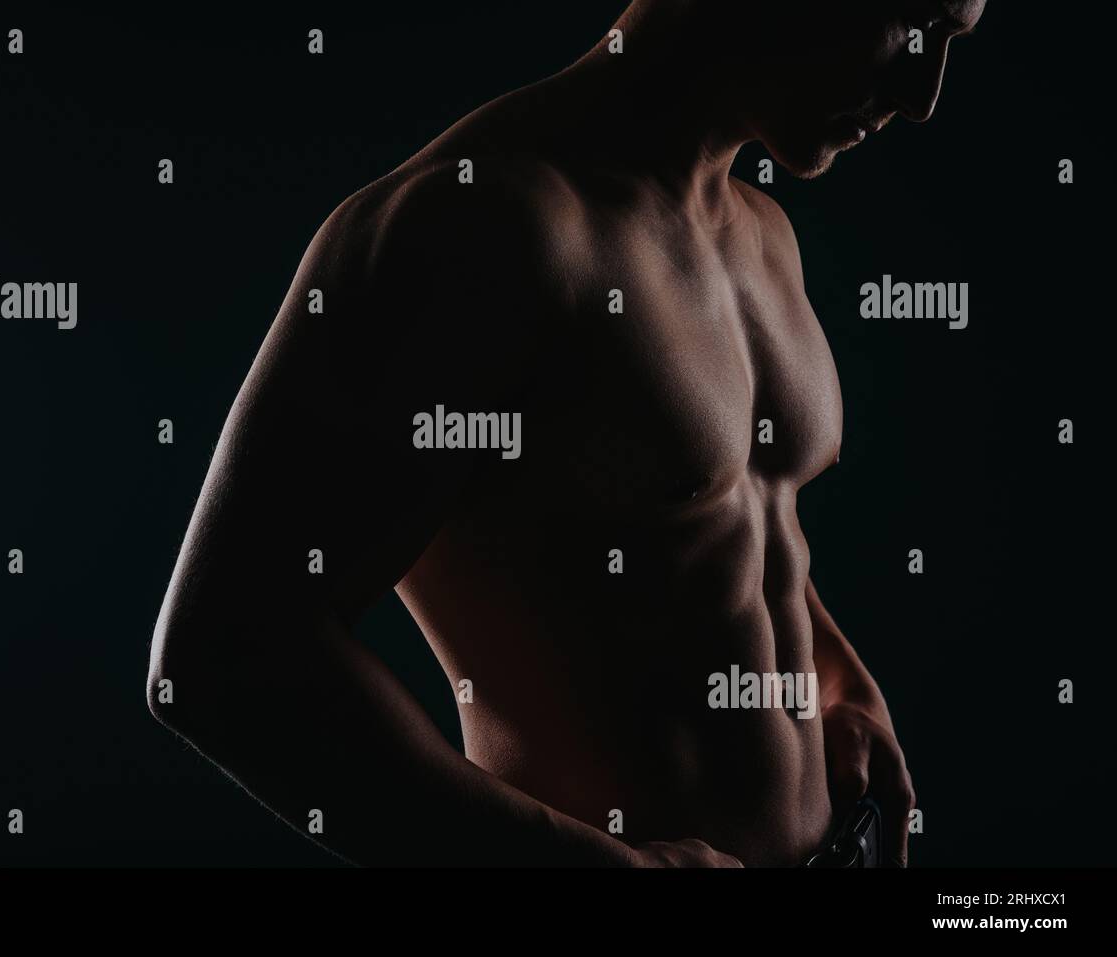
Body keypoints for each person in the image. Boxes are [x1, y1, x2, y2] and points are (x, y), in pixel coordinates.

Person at [147, 0, 983, 866]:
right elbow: (221, 659)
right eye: (912, 19)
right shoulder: (471, 228)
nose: (924, 94)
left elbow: (708, 541)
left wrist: (842, 682)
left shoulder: (762, 235)